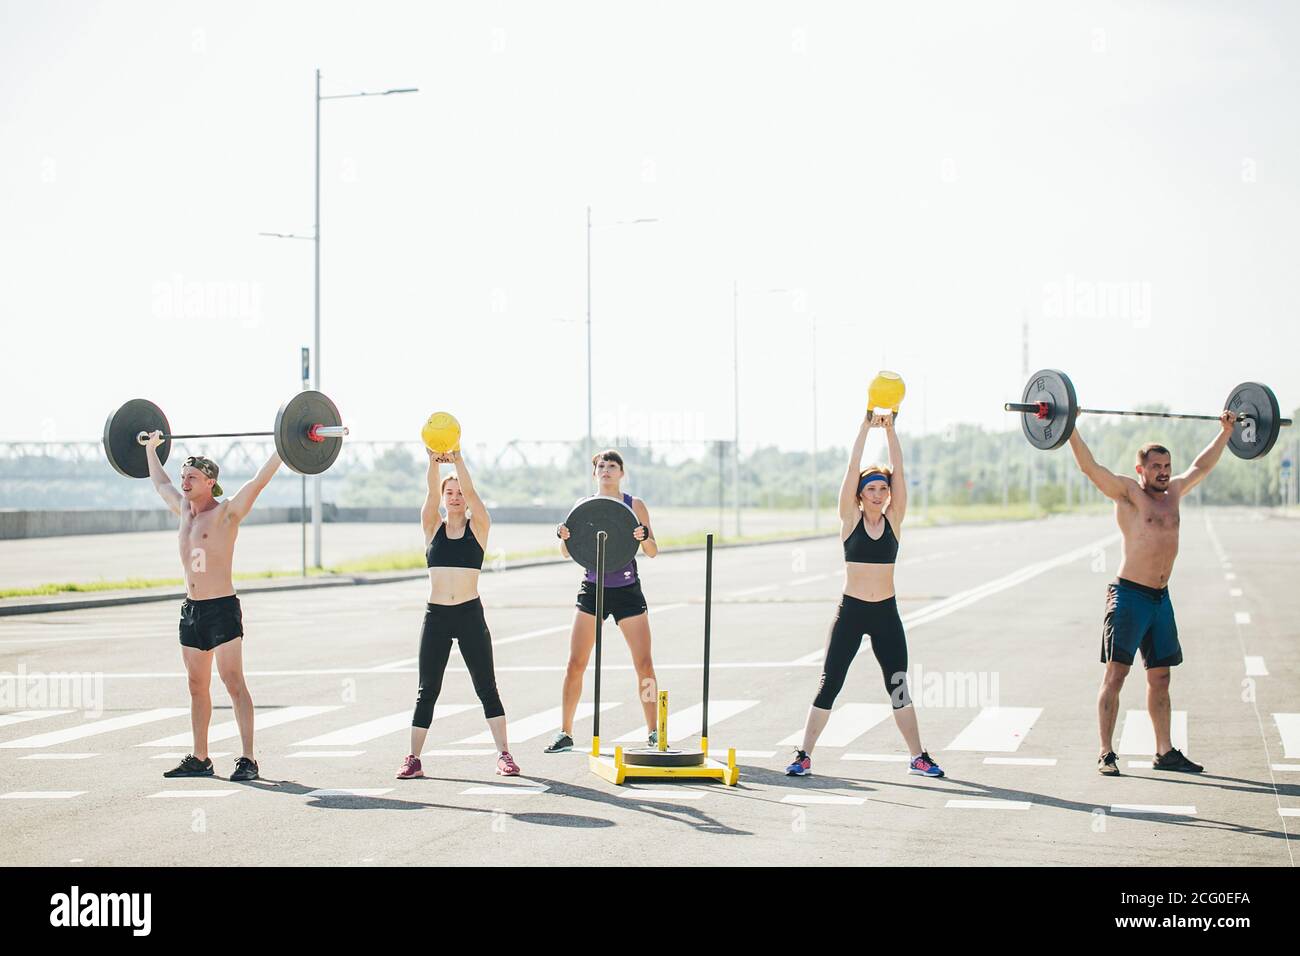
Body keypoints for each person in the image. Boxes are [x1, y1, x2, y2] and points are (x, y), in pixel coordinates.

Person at [1069, 412, 1236, 775]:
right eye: (1156, 466)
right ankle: (1106, 752)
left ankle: (1164, 752)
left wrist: (1225, 432)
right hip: (1129, 596)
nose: (1163, 471)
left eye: (1167, 465)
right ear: (1140, 469)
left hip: (1161, 599)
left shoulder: (1174, 491)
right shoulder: (1128, 494)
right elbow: (1089, 467)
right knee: (1116, 675)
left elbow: (1201, 466)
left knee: (1160, 677)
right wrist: (1069, 427)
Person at [785, 412, 944, 778]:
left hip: (886, 614)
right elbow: (851, 467)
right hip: (852, 612)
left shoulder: (894, 520)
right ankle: (803, 755)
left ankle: (918, 756)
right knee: (829, 684)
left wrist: (891, 432)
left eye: (882, 489)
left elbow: (899, 471)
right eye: (871, 489)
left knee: (898, 685)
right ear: (860, 494)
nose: (878, 494)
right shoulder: (850, 521)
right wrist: (863, 428)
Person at [142, 434, 280, 782]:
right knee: (196, 685)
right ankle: (201, 757)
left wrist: (285, 446)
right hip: (192, 610)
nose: (184, 482)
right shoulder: (182, 511)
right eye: (183, 475)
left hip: (221, 608)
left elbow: (259, 481)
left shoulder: (228, 513)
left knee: (233, 681)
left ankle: (248, 758)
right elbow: (160, 482)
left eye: (191, 477)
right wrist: (150, 450)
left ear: (210, 482)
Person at [397, 448, 518, 779]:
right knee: (428, 689)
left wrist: (458, 460)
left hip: (469, 615)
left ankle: (504, 755)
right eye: (449, 493)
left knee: (486, 687)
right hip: (436, 616)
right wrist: (433, 463)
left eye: (459, 493)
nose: (454, 497)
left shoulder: (478, 527)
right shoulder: (431, 526)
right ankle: (414, 759)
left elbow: (475, 495)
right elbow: (429, 493)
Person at [544, 449, 659, 753]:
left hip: (626, 589)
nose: (606, 470)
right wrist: (563, 536)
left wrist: (644, 534)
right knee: (575, 663)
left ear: (622, 473)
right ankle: (565, 731)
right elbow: (566, 552)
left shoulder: (634, 505)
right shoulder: (584, 507)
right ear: (595, 473)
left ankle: (654, 731)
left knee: (644, 664)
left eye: (612, 466)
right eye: (601, 466)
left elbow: (652, 550)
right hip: (593, 587)